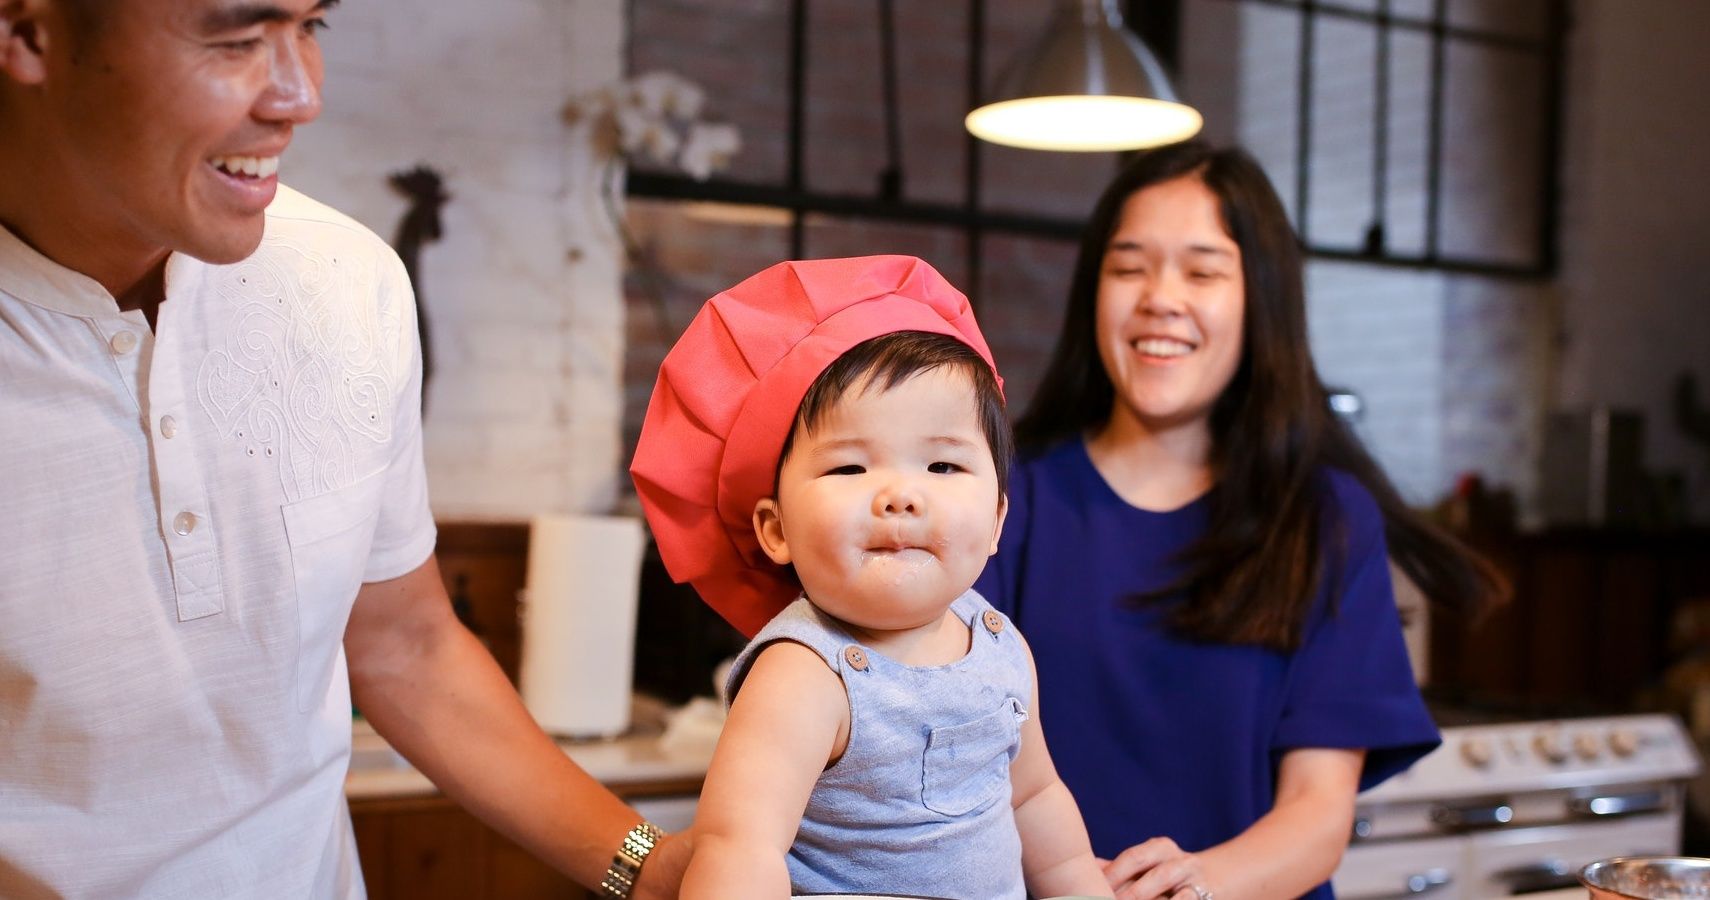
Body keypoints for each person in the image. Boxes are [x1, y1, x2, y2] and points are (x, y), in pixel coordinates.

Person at [0, 2, 684, 897]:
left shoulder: (346, 279)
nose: (298, 94)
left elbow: (405, 644)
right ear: (27, 31)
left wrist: (649, 865)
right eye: (238, 37)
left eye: (310, 27)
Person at [973, 140, 1507, 900]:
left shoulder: (1324, 519)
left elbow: (1317, 815)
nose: (1160, 296)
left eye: (1202, 270)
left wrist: (1189, 886)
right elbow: (952, 757)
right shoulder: (1002, 500)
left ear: (1261, 299)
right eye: (1128, 267)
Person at [632, 255, 1111, 900]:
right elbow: (739, 848)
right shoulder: (805, 674)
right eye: (850, 468)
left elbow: (1035, 798)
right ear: (775, 529)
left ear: (998, 519)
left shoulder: (1000, 644)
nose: (900, 496)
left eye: (941, 466)